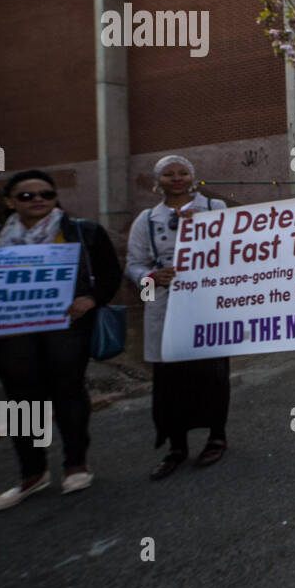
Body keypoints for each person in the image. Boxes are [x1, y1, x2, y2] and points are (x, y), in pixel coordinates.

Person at [0, 169, 122, 513]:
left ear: (56, 197)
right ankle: (32, 473)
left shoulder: (82, 231)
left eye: (46, 194)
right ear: (10, 201)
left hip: (65, 328)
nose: (38, 200)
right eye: (27, 196)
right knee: (22, 399)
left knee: (68, 391)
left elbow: (108, 275)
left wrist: (91, 299)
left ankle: (76, 465)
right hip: (8, 334)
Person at [124, 155, 230, 479]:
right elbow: (133, 264)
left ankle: (216, 436)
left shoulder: (215, 209)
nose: (177, 178)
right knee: (170, 380)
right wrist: (152, 277)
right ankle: (176, 445)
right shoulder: (146, 220)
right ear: (158, 182)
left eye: (183, 172)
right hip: (166, 304)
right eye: (168, 174)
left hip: (206, 303)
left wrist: (204, 229)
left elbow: (236, 250)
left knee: (211, 372)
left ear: (193, 177)